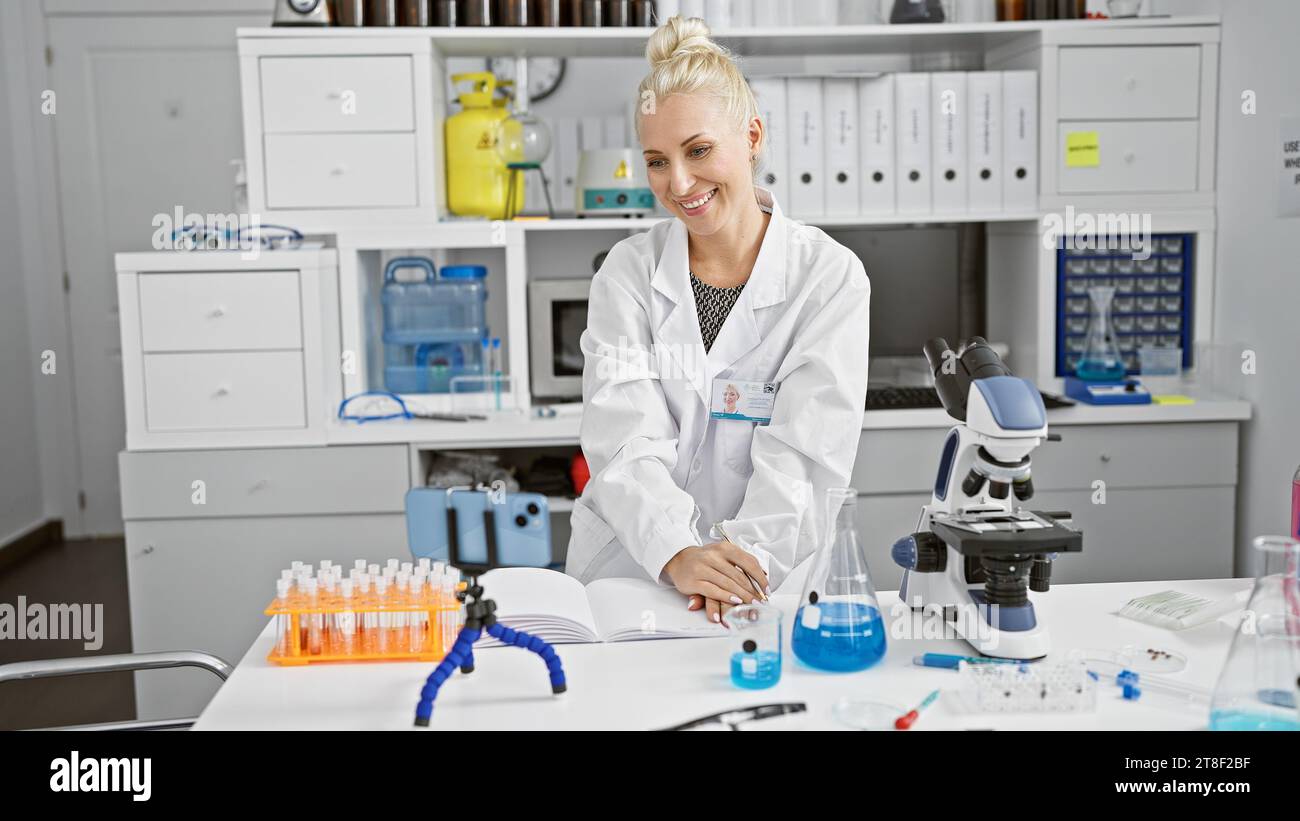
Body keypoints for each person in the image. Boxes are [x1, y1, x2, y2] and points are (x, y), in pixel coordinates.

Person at [565, 15, 871, 624]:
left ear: (752, 135)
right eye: (657, 161)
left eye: (699, 150)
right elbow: (624, 439)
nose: (678, 183)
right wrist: (676, 550)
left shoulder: (828, 276)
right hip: (634, 572)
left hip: (761, 582)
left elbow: (806, 454)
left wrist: (736, 564)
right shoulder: (626, 272)